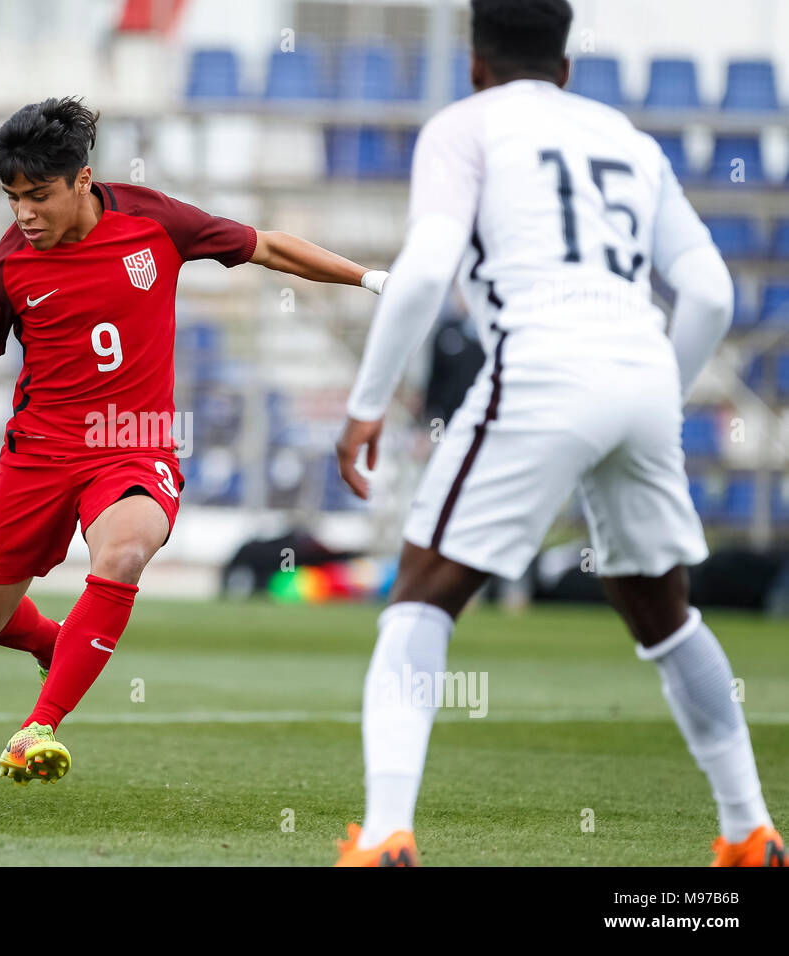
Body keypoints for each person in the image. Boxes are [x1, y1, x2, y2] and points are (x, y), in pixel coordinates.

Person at [333, 0, 781, 867]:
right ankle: (749, 829)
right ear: (566, 66)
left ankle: (386, 832)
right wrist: (653, 395)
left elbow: (424, 271)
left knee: (420, 597)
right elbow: (714, 293)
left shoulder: (465, 127)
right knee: (664, 614)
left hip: (540, 360)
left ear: (474, 63)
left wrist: (365, 402)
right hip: (643, 365)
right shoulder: (627, 138)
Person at [0, 96, 387, 785]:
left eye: (38, 195)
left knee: (121, 554)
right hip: (37, 452)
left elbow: (266, 246)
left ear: (83, 179)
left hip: (133, 444)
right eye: (11, 198)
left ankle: (39, 727)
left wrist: (371, 279)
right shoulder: (7, 267)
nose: (24, 213)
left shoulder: (153, 220)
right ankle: (63, 648)